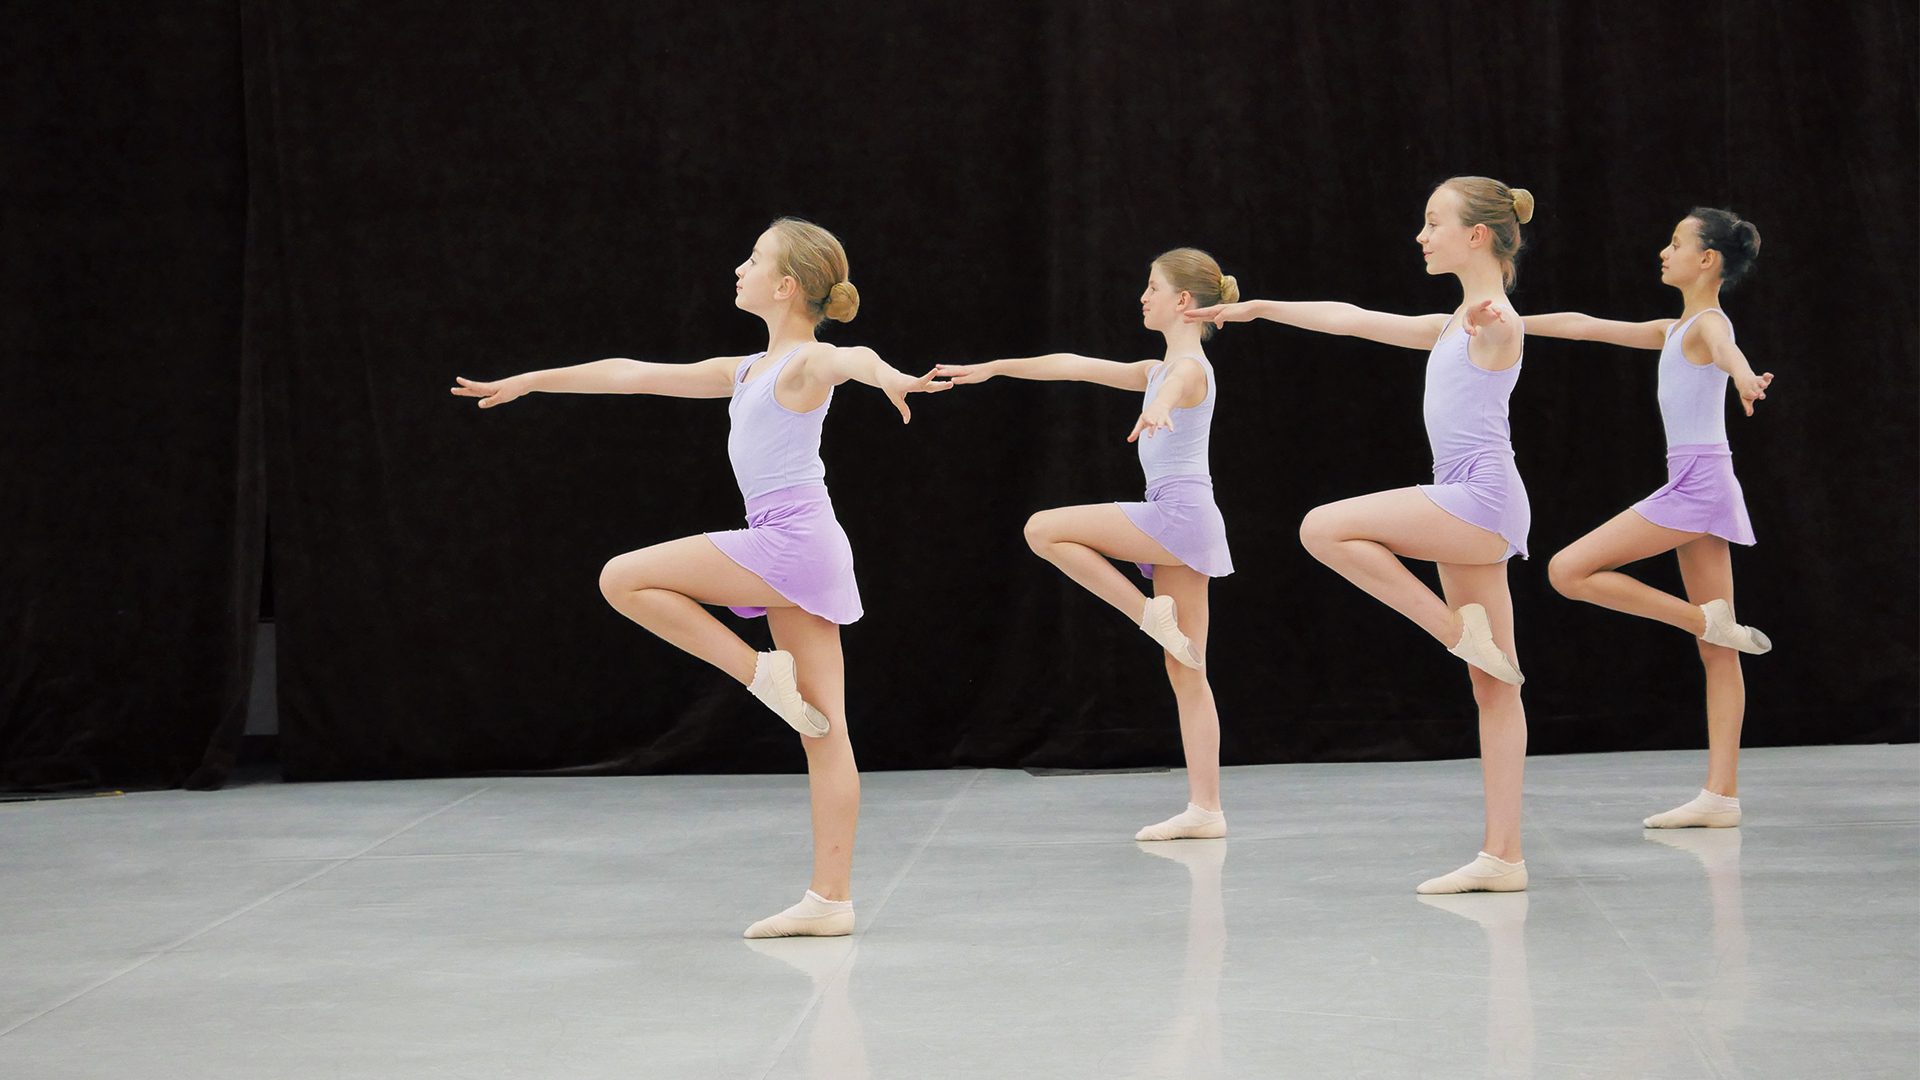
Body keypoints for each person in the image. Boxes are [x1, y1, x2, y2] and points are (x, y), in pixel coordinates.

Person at [452, 218, 945, 936]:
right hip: (804, 547)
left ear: (785, 287)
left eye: (752, 259)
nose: (736, 268)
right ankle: (830, 900)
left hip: (792, 540)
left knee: (625, 578)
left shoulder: (802, 363)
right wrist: (534, 381)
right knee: (824, 728)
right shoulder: (744, 370)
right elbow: (630, 374)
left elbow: (855, 358)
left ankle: (756, 676)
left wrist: (890, 376)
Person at [1187, 177, 1535, 893]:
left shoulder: (1495, 320)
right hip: (1469, 503)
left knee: (1325, 527)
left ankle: (1450, 631)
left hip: (1479, 498)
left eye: (1433, 221)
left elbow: (1503, 329)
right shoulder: (1445, 324)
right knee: (1494, 684)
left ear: (1476, 236)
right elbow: (1351, 318)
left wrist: (1494, 317)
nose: (1421, 234)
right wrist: (1261, 309)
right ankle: (1505, 857)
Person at [935, 249, 1239, 841]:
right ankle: (1207, 809)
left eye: (1152, 288)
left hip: (1177, 515)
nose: (1142, 297)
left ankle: (1146, 614)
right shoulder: (1157, 366)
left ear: (1183, 301)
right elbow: (1073, 364)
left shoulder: (1186, 368)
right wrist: (995, 366)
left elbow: (1178, 385)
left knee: (1043, 528)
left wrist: (1157, 408)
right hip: (1190, 521)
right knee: (1188, 669)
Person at [1526, 208, 1773, 830]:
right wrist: (1509, 319)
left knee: (1568, 569)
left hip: (1698, 483)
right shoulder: (1673, 328)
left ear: (1707, 260)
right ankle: (1721, 796)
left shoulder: (1708, 323)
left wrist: (1744, 376)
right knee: (1719, 649)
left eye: (1675, 243)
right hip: (1701, 480)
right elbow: (1585, 327)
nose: (1663, 252)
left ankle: (1706, 622)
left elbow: (1728, 350)